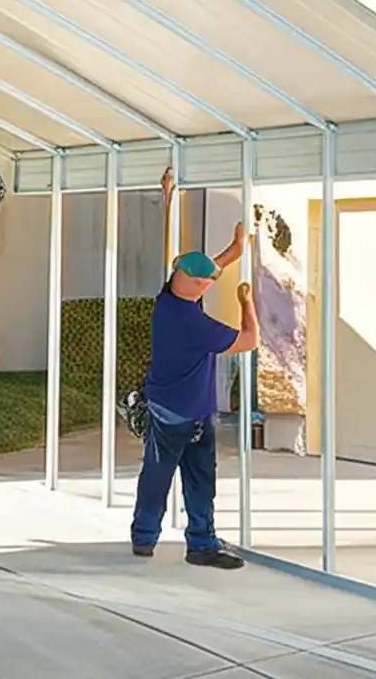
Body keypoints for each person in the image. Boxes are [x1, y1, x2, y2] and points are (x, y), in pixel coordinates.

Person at [129, 167, 260, 570]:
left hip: (174, 408)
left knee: (158, 475)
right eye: (204, 280)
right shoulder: (193, 324)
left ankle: (145, 537)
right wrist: (246, 303)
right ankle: (200, 544)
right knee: (198, 478)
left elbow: (205, 265)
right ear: (192, 282)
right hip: (184, 414)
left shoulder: (168, 299)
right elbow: (250, 341)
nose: (209, 282)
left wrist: (170, 199)